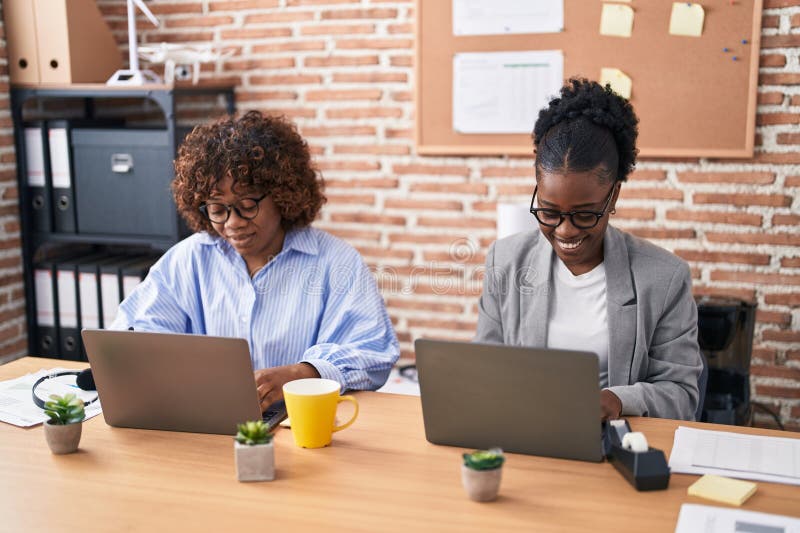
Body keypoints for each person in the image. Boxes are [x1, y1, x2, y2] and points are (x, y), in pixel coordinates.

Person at [112, 110, 399, 409]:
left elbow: (372, 352)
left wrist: (301, 374)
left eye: (247, 205)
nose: (233, 223)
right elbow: (135, 335)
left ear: (282, 195)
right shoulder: (190, 259)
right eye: (217, 209)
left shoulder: (335, 262)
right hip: (205, 420)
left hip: (301, 425)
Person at [475, 78, 702, 421]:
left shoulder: (663, 277)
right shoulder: (506, 260)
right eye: (549, 212)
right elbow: (484, 370)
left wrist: (617, 400)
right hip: (525, 435)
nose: (565, 231)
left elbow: (682, 395)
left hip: (611, 446)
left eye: (584, 215)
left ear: (614, 196)